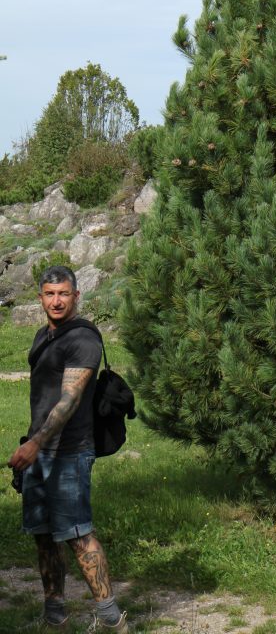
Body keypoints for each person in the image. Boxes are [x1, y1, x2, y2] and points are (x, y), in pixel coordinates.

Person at [6, 265, 128, 633]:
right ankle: (54, 614)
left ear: (76, 296)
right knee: (43, 534)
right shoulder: (44, 335)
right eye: (49, 293)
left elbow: (69, 400)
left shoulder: (83, 340)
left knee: (77, 533)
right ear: (40, 297)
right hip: (38, 448)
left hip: (70, 451)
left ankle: (111, 619)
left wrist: (36, 444)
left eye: (63, 294)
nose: (56, 301)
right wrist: (32, 444)